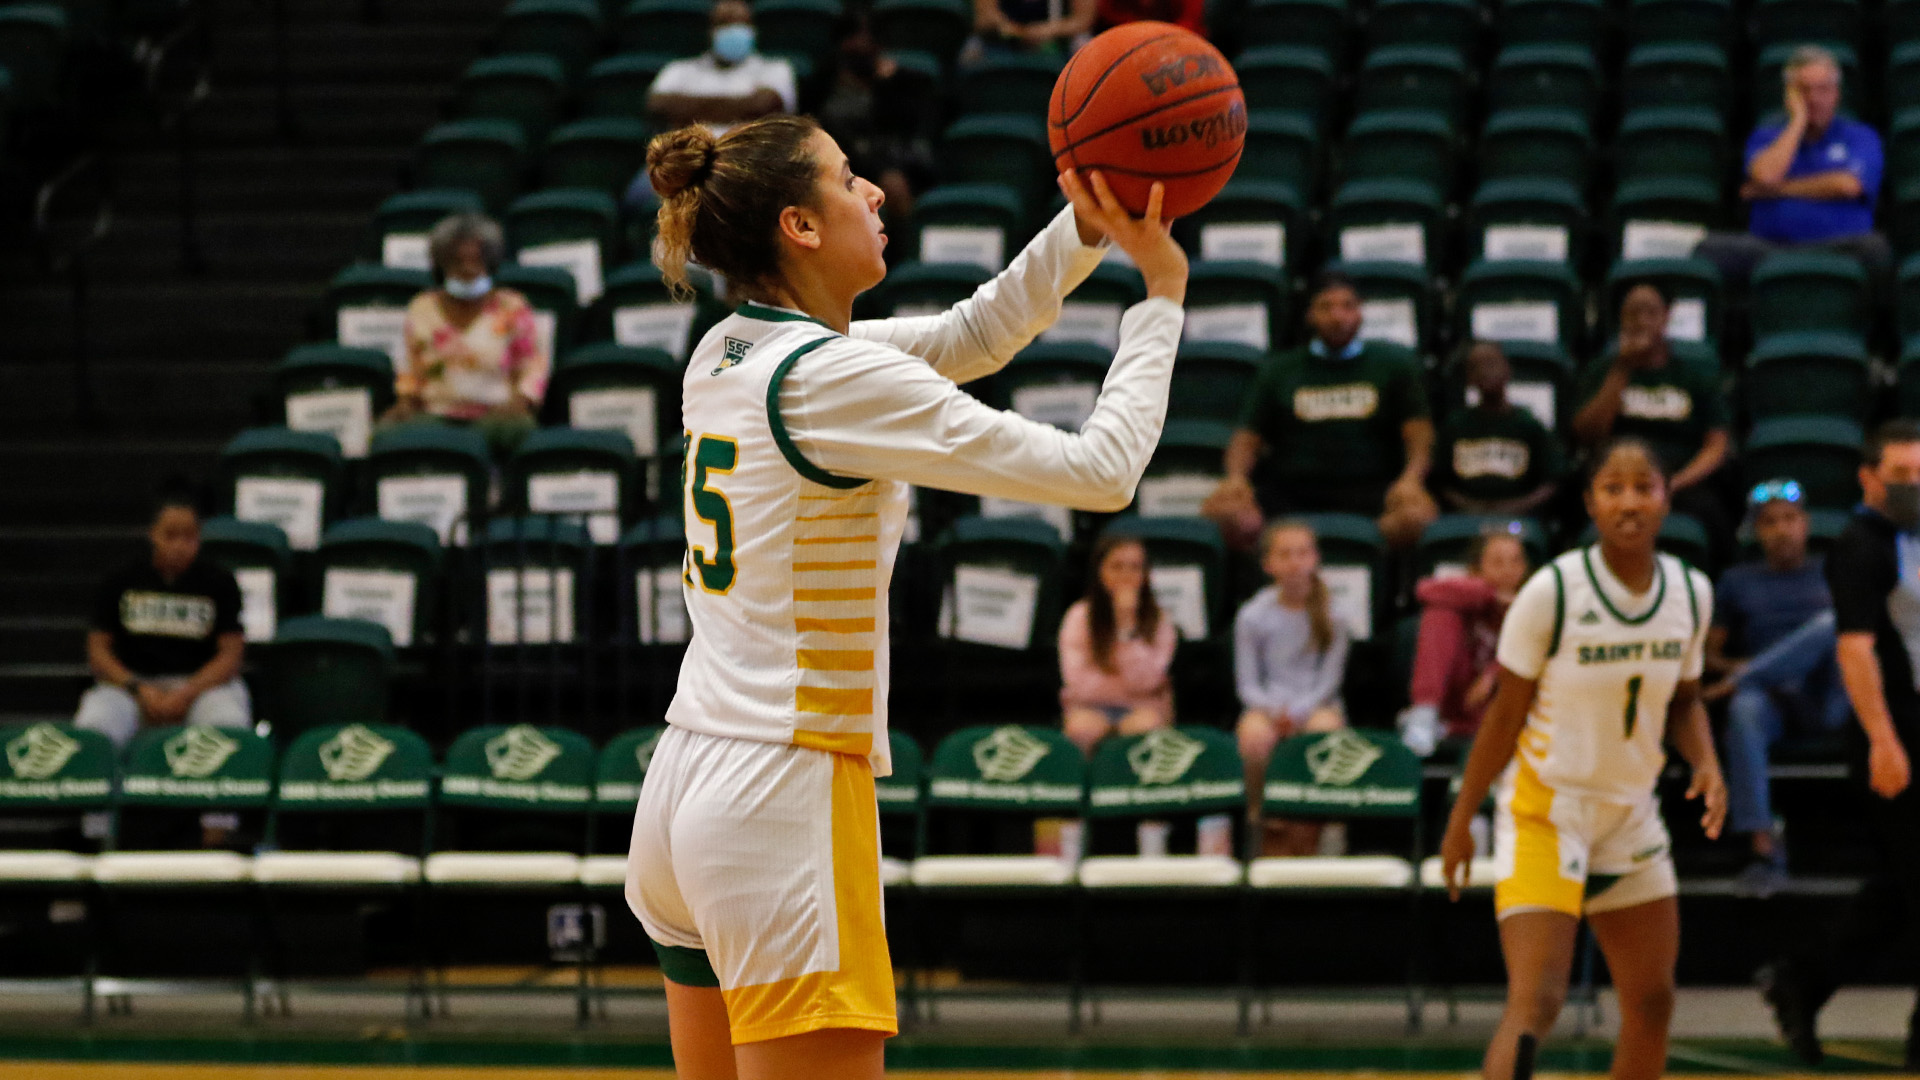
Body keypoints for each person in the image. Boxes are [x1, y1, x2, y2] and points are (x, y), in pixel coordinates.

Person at [625, 114, 1186, 1078]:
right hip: (781, 787)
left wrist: (1086, 227)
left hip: (683, 786)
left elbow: (976, 332)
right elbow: (1101, 472)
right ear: (800, 226)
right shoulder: (830, 381)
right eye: (850, 180)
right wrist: (1163, 300)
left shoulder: (730, 349)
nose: (876, 191)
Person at [1440, 436, 1727, 1080]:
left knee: (1652, 1000)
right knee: (1538, 1002)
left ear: (1667, 496)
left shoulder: (1691, 592)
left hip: (1629, 813)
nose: (1630, 502)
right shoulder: (1553, 593)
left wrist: (1705, 761)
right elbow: (1503, 717)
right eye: (1613, 488)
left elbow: (1683, 701)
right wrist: (1461, 821)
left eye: (1643, 487)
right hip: (1547, 809)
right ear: (1591, 503)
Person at [1759, 421, 1920, 1070]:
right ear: (1869, 478)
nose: (1914, 487)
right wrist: (1883, 741)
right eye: (1902, 476)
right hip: (1895, 739)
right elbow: (1854, 652)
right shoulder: (1858, 546)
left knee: (1899, 888)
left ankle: (1800, 981)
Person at [1203, 271, 1438, 551]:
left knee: (1417, 516)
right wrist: (1236, 479)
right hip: (1291, 491)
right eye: (1326, 307)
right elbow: (1246, 437)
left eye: (1347, 306)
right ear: (1310, 315)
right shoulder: (1279, 370)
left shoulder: (1394, 364)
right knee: (1222, 512)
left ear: (1361, 313)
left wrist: (1411, 479)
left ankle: (1377, 571)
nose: (1338, 316)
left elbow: (1419, 433)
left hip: (1373, 489)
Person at [1704, 478, 1846, 897]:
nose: (1782, 529)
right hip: (1772, 702)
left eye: (1790, 519)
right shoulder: (1736, 580)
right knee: (1744, 708)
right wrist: (1744, 668)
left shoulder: (1834, 569)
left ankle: (1742, 682)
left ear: (1805, 524)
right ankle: (1764, 848)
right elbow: (1709, 656)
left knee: (1830, 625)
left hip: (1828, 693)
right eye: (1770, 522)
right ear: (1757, 531)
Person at [1694, 45, 1889, 285]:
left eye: (1823, 89)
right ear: (1790, 95)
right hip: (1769, 249)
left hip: (1841, 248)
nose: (1814, 98)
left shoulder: (1860, 136)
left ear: (1836, 94)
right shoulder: (1766, 136)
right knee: (1707, 249)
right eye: (1804, 90)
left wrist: (1777, 190)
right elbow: (1765, 176)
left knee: (1876, 249)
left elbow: (1848, 185)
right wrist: (1797, 121)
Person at [76, 487, 249, 749]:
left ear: (199, 538)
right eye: (170, 535)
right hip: (132, 686)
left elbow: (230, 655)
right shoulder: (121, 580)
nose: (179, 545)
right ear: (152, 534)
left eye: (188, 537)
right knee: (94, 726)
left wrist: (186, 693)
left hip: (200, 688)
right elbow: (98, 651)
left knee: (229, 724)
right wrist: (138, 689)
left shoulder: (220, 582)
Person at [1572, 283, 1732, 562]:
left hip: (1681, 483)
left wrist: (1677, 482)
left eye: (1650, 312)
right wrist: (1622, 368)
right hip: (1616, 481)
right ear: (1621, 321)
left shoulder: (1694, 375)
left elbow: (1716, 444)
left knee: (1715, 514)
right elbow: (1587, 434)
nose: (1642, 321)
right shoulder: (1602, 370)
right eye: (1633, 313)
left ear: (1666, 317)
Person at [380, 213, 548, 459]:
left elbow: (533, 365)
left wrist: (522, 401)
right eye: (458, 262)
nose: (467, 269)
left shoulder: (512, 307)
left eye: (476, 260)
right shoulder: (422, 307)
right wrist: (406, 401)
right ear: (442, 265)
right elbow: (409, 367)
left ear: (489, 263)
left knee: (519, 430)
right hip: (436, 414)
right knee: (387, 433)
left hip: (496, 413)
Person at [1234, 520, 1350, 855]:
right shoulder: (1253, 615)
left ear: (1315, 559)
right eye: (1285, 554)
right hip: (1268, 704)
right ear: (1268, 565)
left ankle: (1327, 825)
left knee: (1324, 730)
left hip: (1317, 705)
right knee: (1254, 735)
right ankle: (1262, 821)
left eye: (1302, 553)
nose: (1295, 562)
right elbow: (1247, 683)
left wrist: (1298, 712)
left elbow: (1329, 680)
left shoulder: (1334, 615)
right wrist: (1274, 711)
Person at [1397, 528, 1533, 758]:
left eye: (1516, 561)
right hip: (1456, 693)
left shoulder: (1533, 601)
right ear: (1476, 570)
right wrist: (1490, 595)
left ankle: (1444, 728)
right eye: (1498, 563)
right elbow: (1425, 590)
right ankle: (1424, 712)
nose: (1509, 571)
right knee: (1440, 612)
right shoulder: (1466, 595)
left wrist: (1493, 674)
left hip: (1498, 702)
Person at [1060, 533, 1177, 755]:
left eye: (1134, 567)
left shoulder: (1160, 620)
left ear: (1145, 575)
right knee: (1082, 729)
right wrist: (1122, 686)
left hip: (1144, 708)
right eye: (1116, 567)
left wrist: (1126, 628)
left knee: (1144, 727)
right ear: (1100, 571)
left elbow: (1147, 681)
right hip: (1089, 708)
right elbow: (1079, 686)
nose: (1126, 576)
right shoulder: (1078, 617)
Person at [1433, 342, 1563, 517]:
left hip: (1520, 516)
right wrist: (1470, 507)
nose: (1484, 371)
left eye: (1491, 363)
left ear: (1508, 370)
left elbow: (1552, 481)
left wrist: (1516, 507)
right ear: (1468, 378)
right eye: (1474, 367)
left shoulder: (1530, 425)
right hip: (1465, 516)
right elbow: (1441, 483)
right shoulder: (1455, 426)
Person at [646, 0, 797, 135]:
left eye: (740, 23)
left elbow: (764, 107)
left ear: (753, 29)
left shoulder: (776, 69)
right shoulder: (679, 69)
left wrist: (688, 111)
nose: (733, 29)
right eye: (725, 23)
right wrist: (743, 109)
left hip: (749, 161)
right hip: (687, 159)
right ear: (710, 31)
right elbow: (658, 106)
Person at [964, 0, 1096, 62]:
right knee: (971, 48)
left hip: (1057, 40)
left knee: (1084, 44)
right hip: (1002, 39)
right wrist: (1014, 31)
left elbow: (1083, 21)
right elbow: (984, 18)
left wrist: (1044, 31)